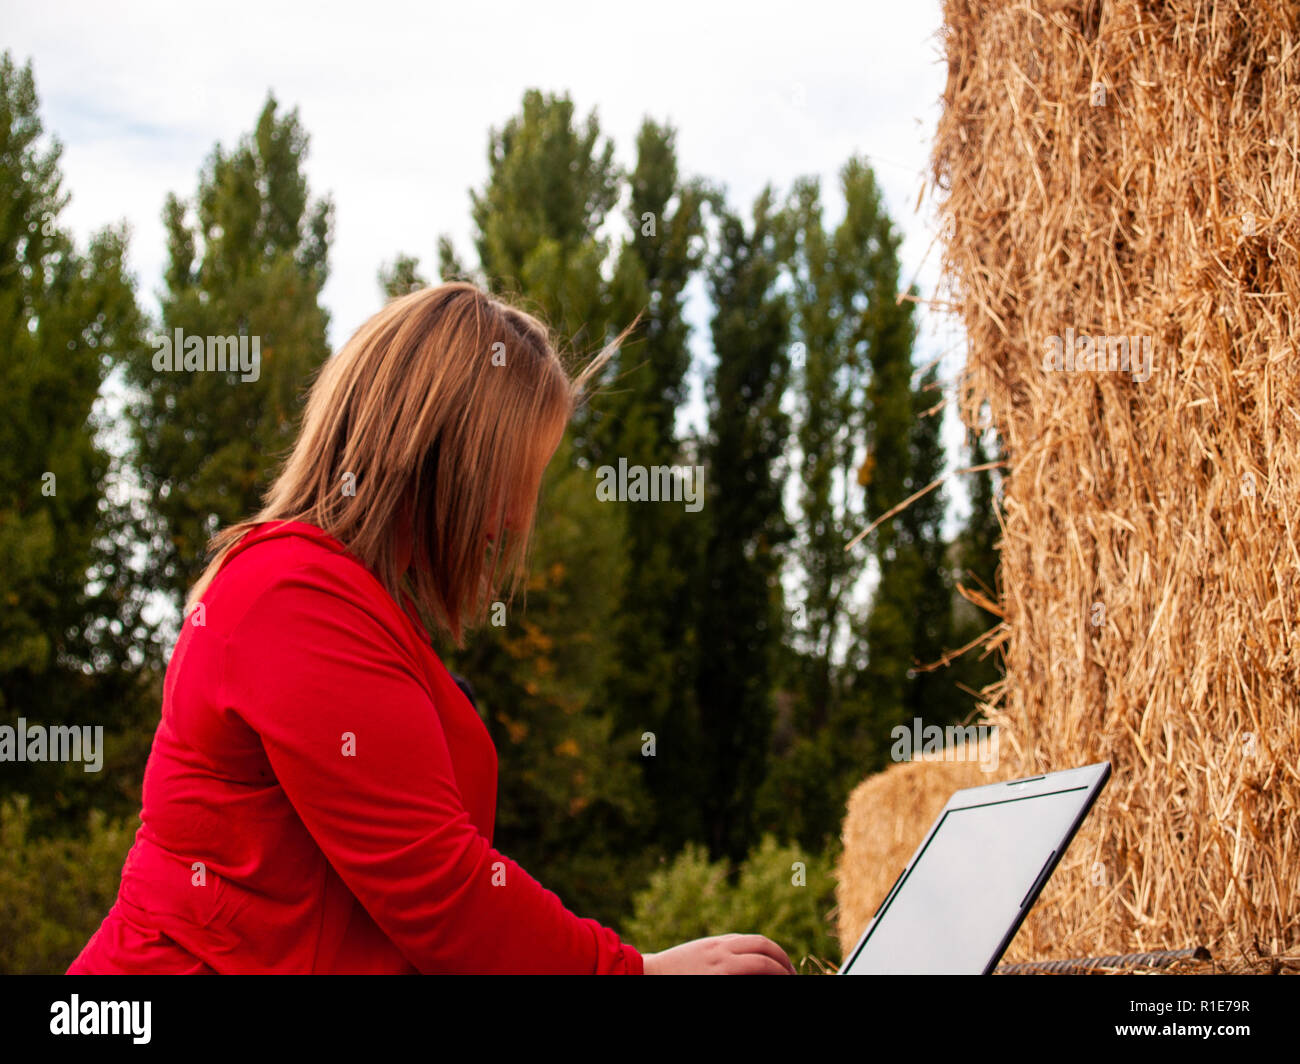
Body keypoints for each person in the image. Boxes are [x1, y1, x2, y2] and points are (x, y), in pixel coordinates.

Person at [68, 281, 795, 975]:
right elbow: (438, 887)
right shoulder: (293, 594)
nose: (514, 519)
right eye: (515, 475)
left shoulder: (344, 603)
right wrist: (633, 971)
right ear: (447, 456)